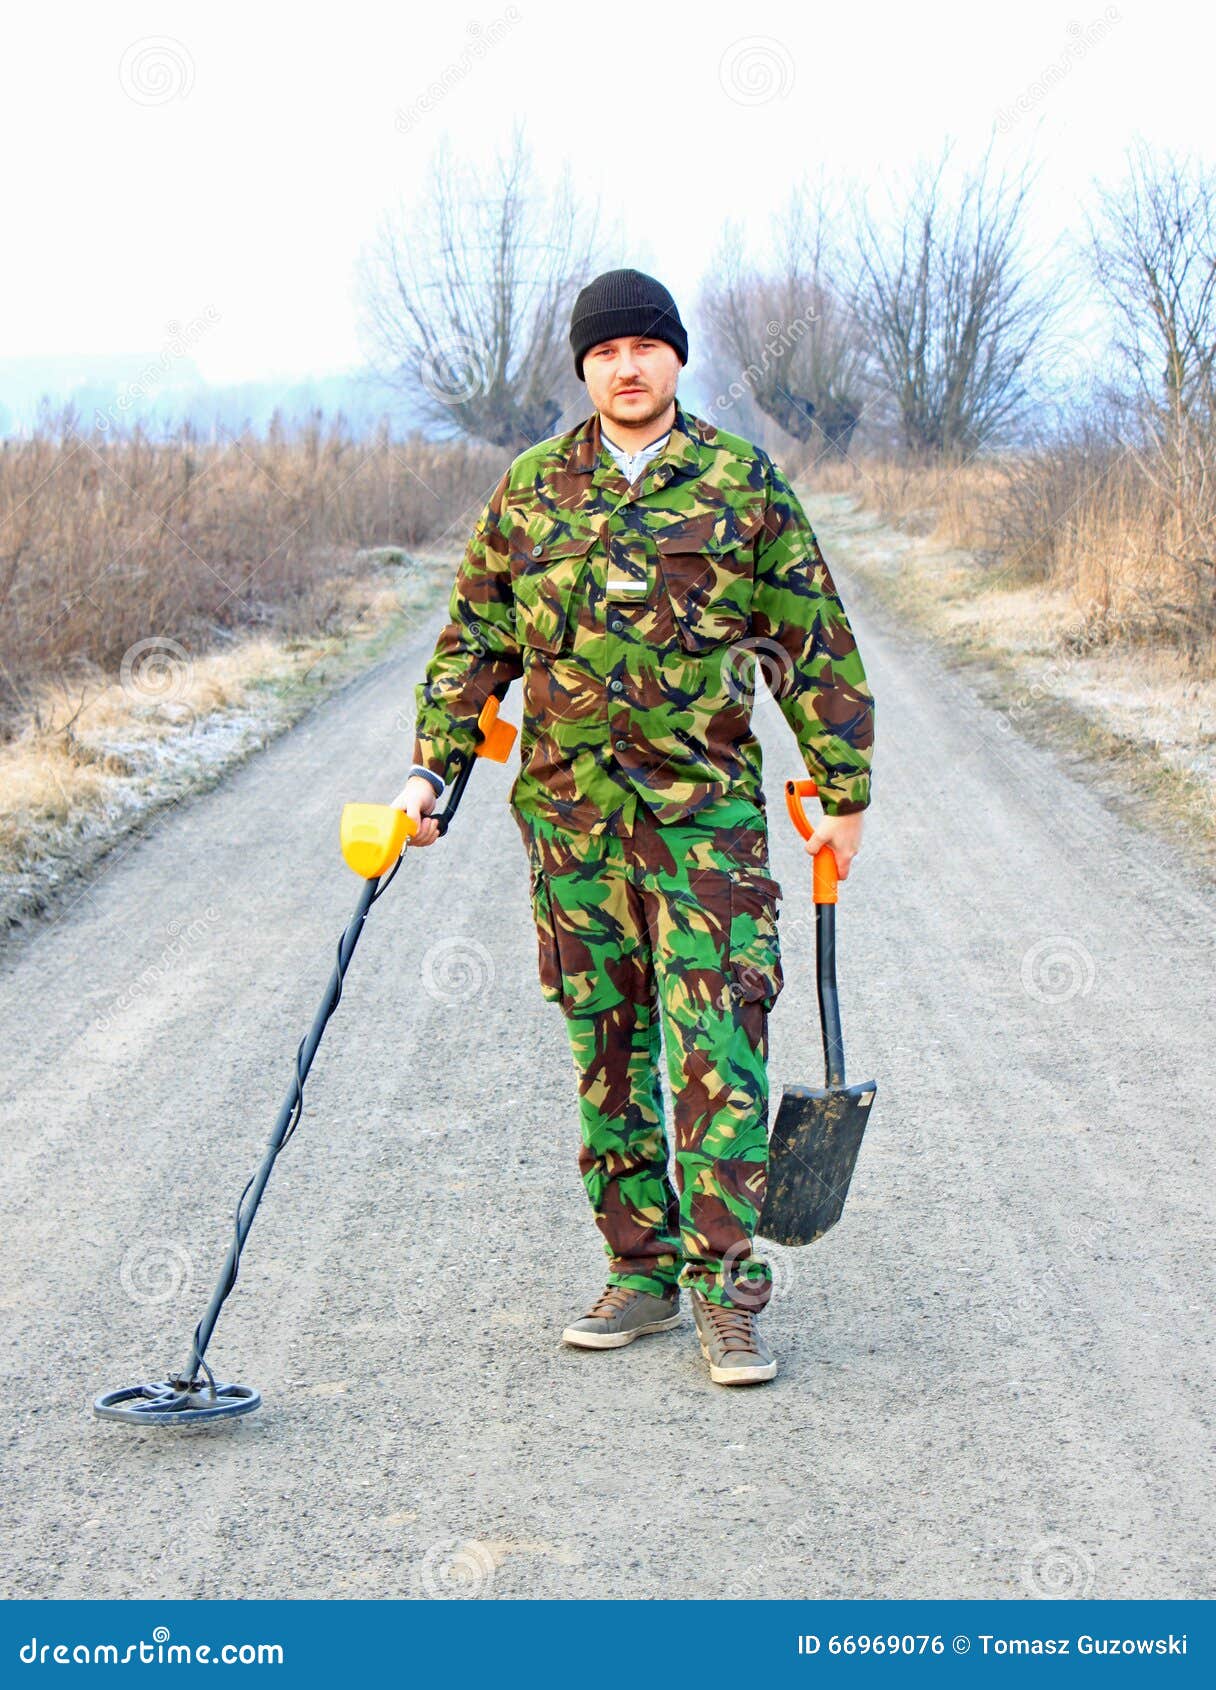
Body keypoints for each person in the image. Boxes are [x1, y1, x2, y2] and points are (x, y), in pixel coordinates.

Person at [392, 268, 875, 1385]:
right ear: (583, 368)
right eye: (605, 351)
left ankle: (725, 1293)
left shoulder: (740, 483)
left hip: (706, 823)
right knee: (606, 1052)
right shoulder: (531, 490)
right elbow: (473, 645)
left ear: (676, 358)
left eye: (645, 347)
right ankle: (642, 1272)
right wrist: (429, 775)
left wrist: (843, 790)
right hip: (571, 826)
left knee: (719, 1052)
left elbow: (811, 640)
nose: (626, 367)